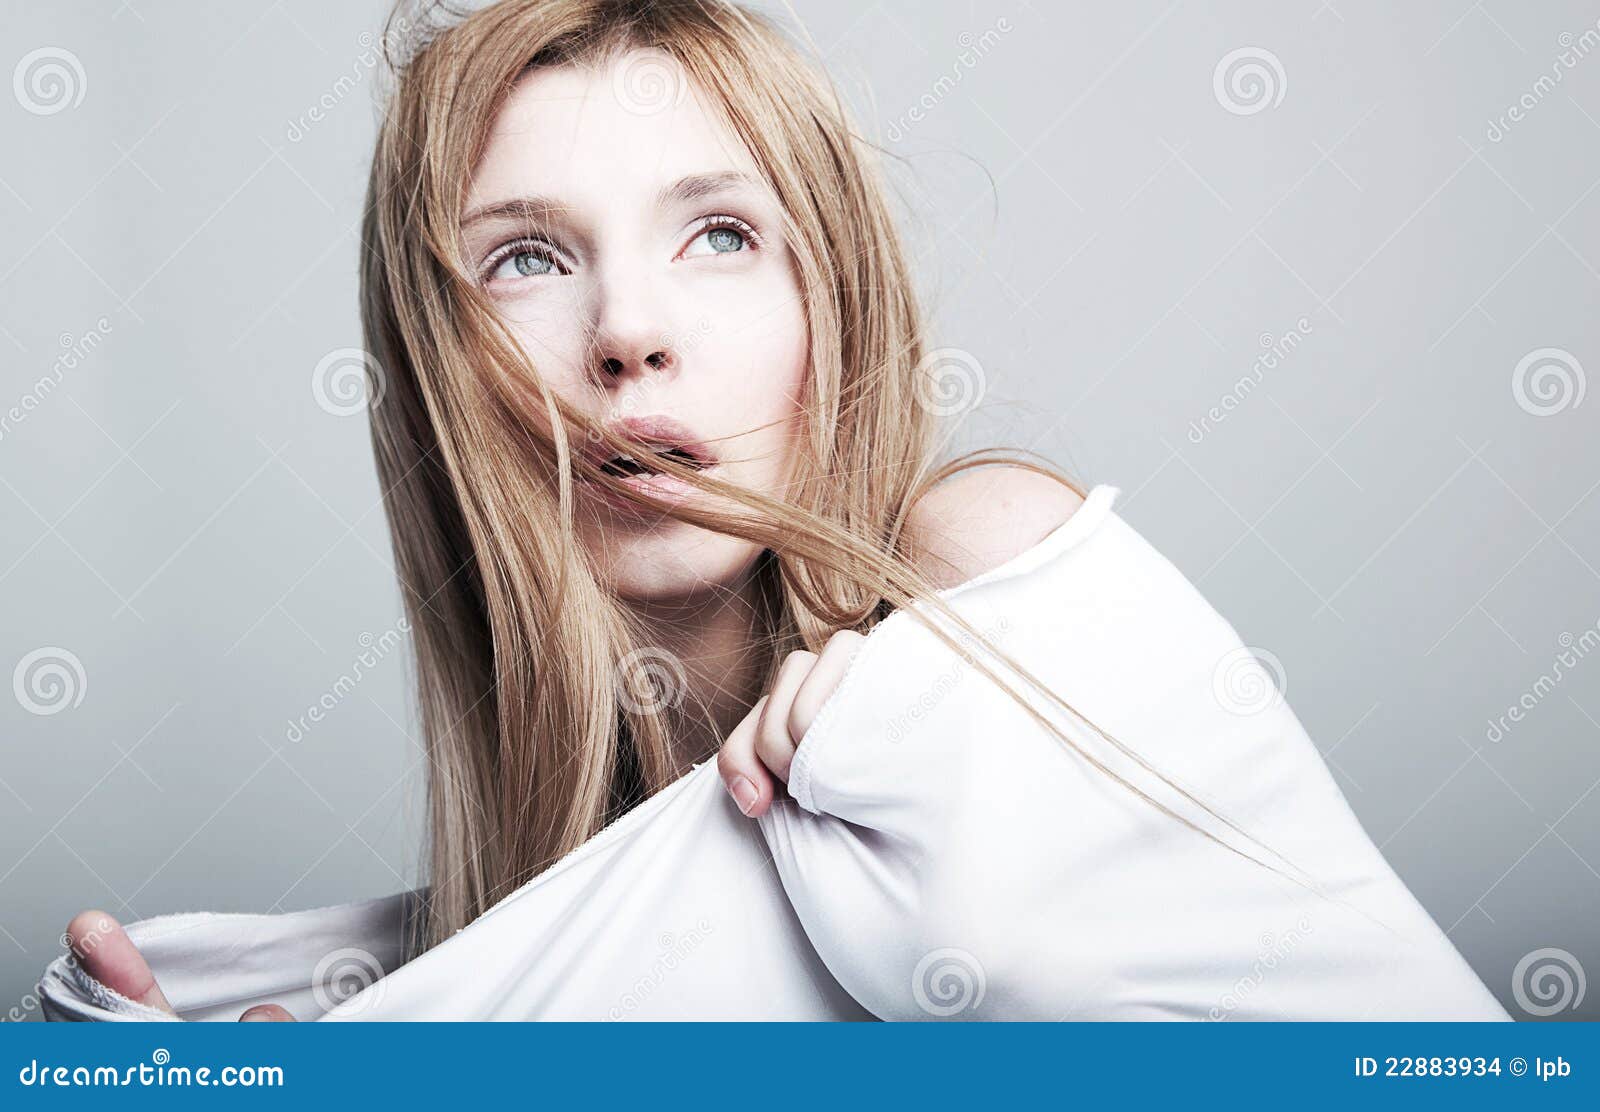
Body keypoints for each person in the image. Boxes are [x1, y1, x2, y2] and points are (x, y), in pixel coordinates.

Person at [59, 0, 1504, 1022]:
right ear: (440, 378)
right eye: (526, 261)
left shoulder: (987, 568)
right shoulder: (497, 950)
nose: (629, 331)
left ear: (836, 312)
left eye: (721, 235)